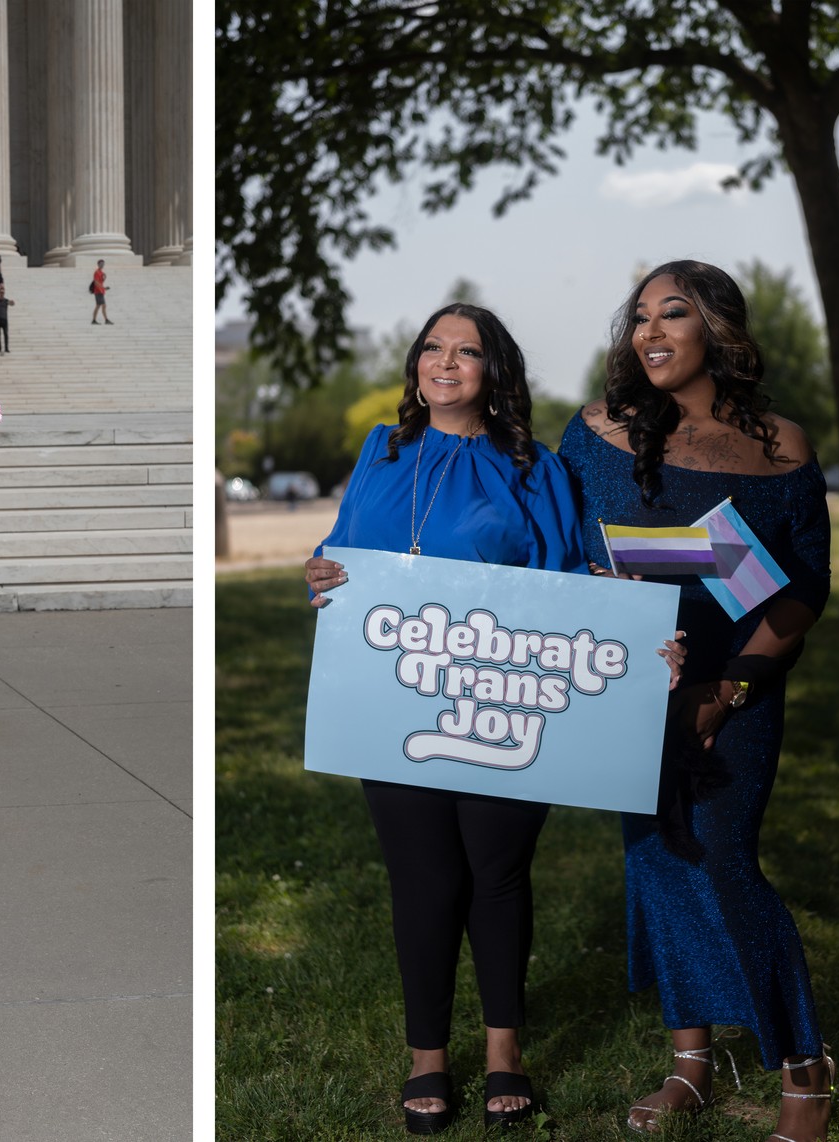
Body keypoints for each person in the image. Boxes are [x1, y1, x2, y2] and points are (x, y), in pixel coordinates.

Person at [557, 261, 833, 1142]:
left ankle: (803, 1061)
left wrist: (729, 689)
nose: (650, 331)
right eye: (639, 317)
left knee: (723, 859)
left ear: (718, 329)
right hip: (631, 691)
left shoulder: (782, 445)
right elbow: (554, 549)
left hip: (739, 688)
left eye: (672, 313)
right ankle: (690, 1064)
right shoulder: (595, 433)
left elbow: (801, 589)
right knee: (657, 861)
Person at [304, 304, 597, 1133]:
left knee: (497, 878)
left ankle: (505, 1053)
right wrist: (319, 571)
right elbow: (341, 547)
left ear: (494, 372)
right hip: (392, 696)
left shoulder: (537, 468)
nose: (445, 362)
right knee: (424, 881)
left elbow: (565, 580)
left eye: (467, 352)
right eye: (433, 347)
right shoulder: (380, 449)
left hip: (500, 704)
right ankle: (427, 1057)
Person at [91, 259, 112, 324]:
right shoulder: (96, 272)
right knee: (103, 305)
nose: (102, 265)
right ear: (98, 264)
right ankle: (106, 320)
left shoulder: (101, 273)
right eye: (101, 264)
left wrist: (104, 278)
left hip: (101, 291)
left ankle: (94, 320)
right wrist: (104, 288)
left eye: (103, 264)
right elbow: (96, 283)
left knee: (99, 306)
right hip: (98, 292)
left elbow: (100, 282)